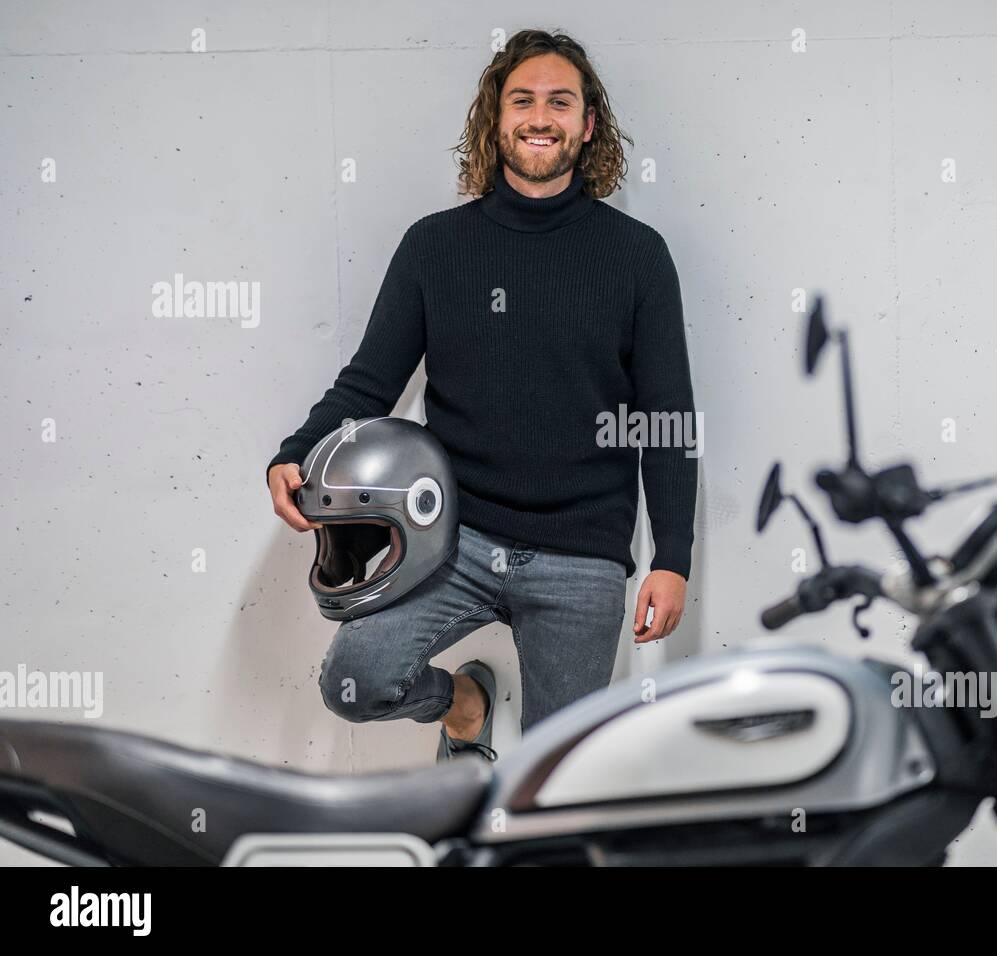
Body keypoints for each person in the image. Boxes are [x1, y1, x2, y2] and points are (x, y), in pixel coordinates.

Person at [266, 28, 698, 761]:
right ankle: (462, 706)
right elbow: (372, 380)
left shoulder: (637, 257)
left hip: (583, 553)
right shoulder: (435, 247)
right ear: (494, 121)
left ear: (587, 124)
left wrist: (672, 555)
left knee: (557, 771)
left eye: (560, 101)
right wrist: (297, 452)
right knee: (357, 680)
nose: (540, 115)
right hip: (452, 535)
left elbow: (665, 422)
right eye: (522, 100)